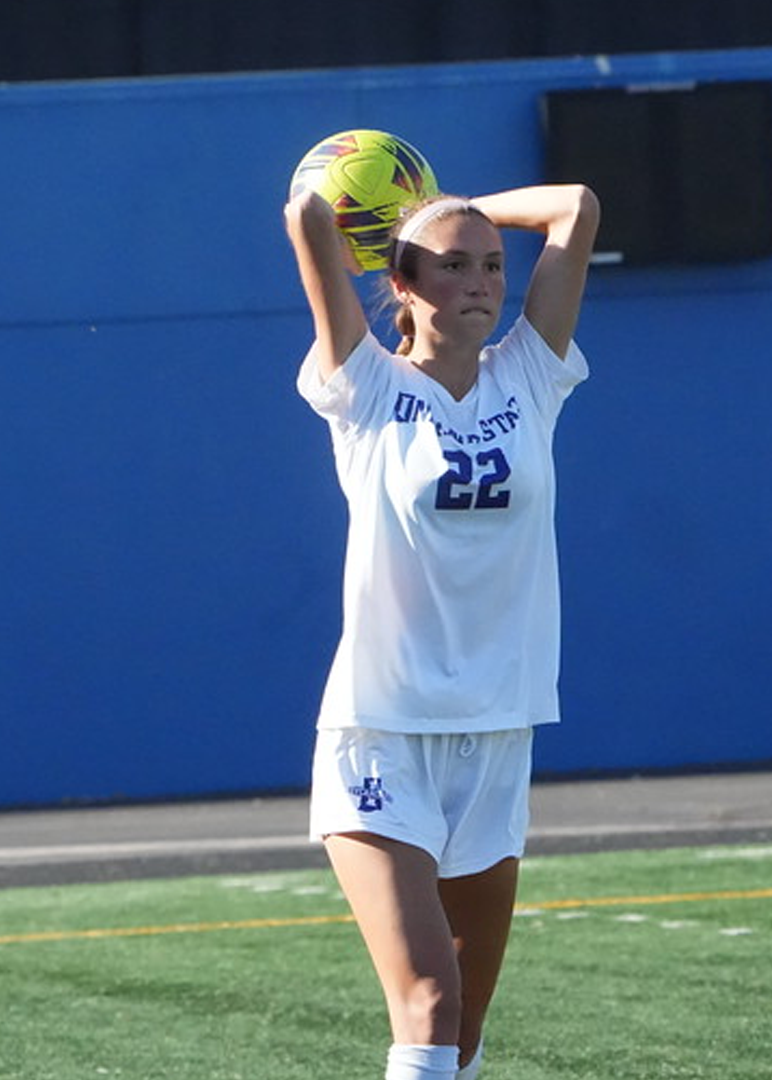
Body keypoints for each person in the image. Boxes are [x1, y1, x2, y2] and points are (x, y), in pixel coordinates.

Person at [283, 176, 600, 1080]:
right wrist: (386, 209)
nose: (483, 281)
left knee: (463, 1026)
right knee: (427, 1000)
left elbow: (575, 205)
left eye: (494, 265)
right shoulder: (367, 387)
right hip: (383, 733)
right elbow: (305, 216)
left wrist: (457, 206)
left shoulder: (529, 377)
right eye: (454, 265)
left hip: (497, 731)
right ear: (403, 282)